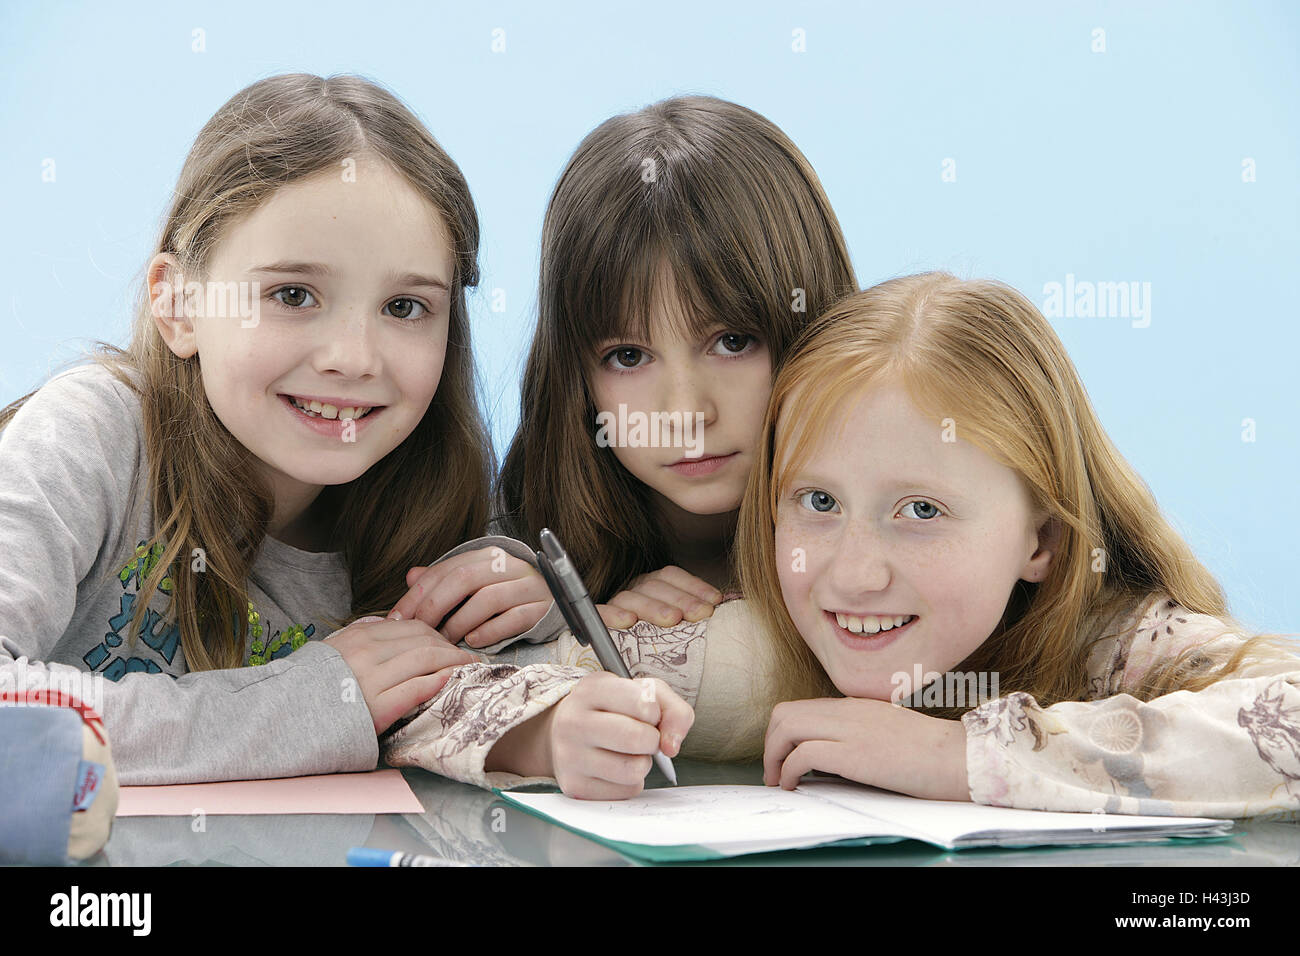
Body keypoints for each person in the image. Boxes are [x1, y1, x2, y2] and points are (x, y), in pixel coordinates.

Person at [0, 73, 488, 784]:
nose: (352, 358)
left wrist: (531, 621)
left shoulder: (435, 500)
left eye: (406, 307)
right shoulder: (92, 436)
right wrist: (312, 702)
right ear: (178, 305)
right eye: (293, 295)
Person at [381, 96, 857, 797]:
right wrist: (572, 625)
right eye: (629, 356)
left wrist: (588, 649)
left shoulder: (907, 513)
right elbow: (393, 699)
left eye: (733, 341)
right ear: (575, 377)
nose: (684, 412)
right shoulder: (527, 560)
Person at [736, 272, 1300, 818]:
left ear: (1042, 540)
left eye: (922, 510)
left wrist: (961, 757)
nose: (855, 575)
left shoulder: (1121, 645)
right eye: (818, 502)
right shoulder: (753, 636)